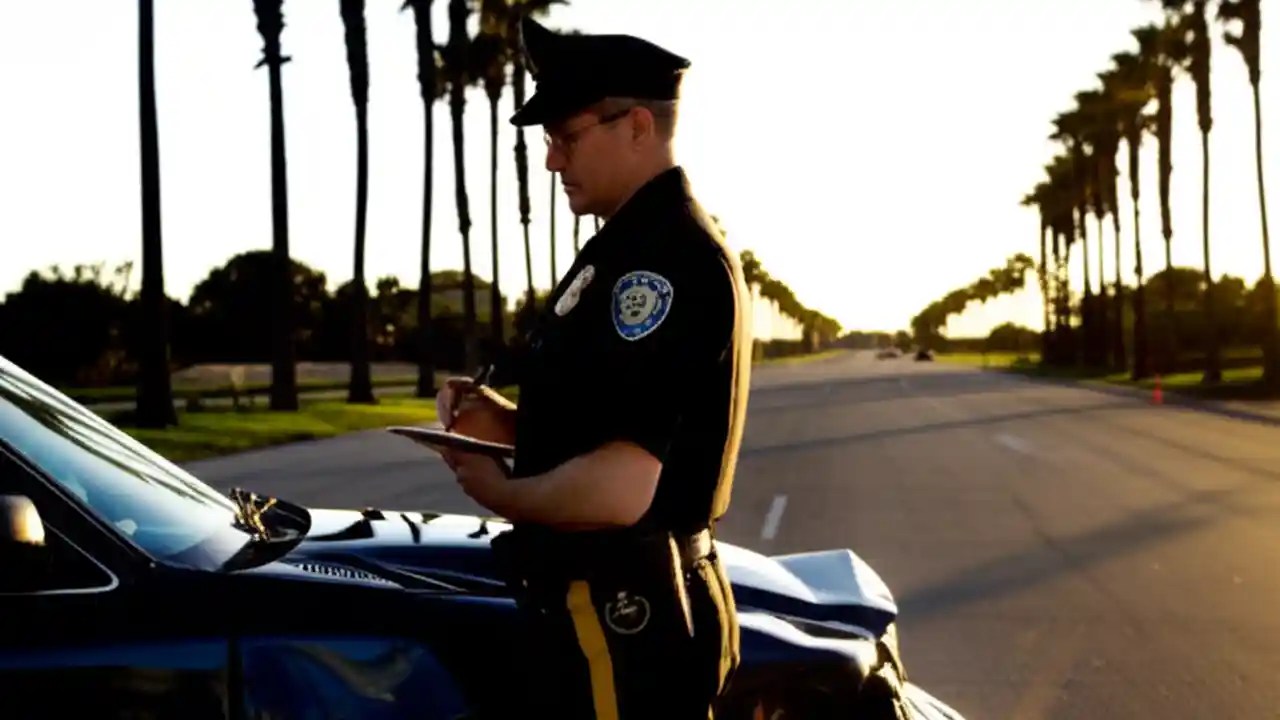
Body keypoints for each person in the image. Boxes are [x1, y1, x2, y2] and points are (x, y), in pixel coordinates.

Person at [436, 16, 753, 720]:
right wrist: (508, 423)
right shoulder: (623, 250)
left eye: (566, 136)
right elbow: (607, 429)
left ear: (637, 125)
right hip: (610, 610)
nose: (552, 160)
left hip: (626, 622)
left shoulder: (665, 262)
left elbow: (623, 487)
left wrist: (503, 493)